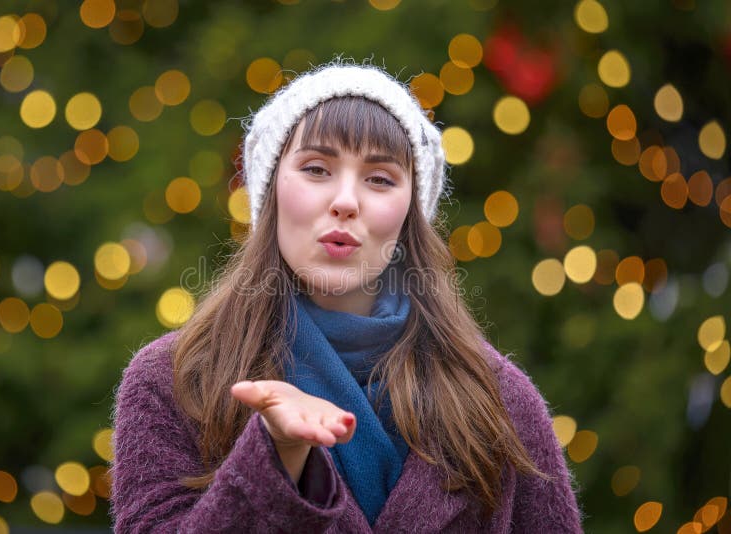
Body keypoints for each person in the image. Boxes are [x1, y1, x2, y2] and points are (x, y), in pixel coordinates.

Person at [109, 59, 584, 533]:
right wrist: (276, 456)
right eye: (317, 169)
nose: (346, 201)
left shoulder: (498, 401)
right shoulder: (173, 381)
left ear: (410, 214)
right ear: (270, 192)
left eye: (380, 179)